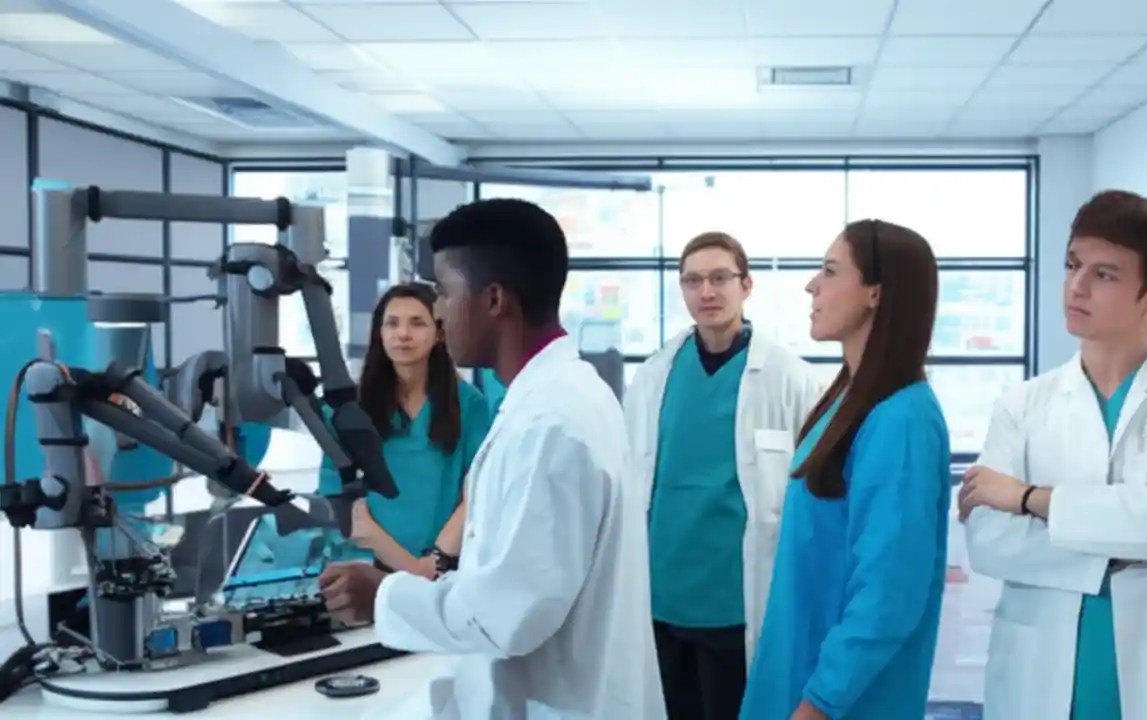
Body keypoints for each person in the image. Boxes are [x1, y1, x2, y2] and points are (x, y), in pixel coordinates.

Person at [317, 198, 666, 719]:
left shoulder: (550, 423)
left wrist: (385, 595)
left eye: (444, 292)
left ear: (494, 299)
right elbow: (506, 579)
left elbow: (509, 616)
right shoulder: (554, 398)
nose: (436, 312)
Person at [959, 190, 1147, 720]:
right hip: (1044, 678)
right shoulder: (1021, 405)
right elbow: (988, 541)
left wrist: (1027, 499)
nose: (1077, 285)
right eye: (1073, 264)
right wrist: (1132, 531)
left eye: (1105, 274)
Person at [740, 219, 952, 720]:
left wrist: (819, 704)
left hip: (840, 701)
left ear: (875, 293)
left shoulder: (902, 419)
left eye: (831, 271)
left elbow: (887, 594)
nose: (812, 285)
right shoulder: (845, 401)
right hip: (799, 678)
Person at [623, 231, 823, 719]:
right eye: (692, 281)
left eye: (719, 278)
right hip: (662, 594)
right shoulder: (654, 376)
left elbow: (815, 488)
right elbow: (629, 480)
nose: (706, 292)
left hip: (739, 598)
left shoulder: (788, 376)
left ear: (746, 285)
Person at [318, 281, 491, 578]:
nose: (403, 334)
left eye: (417, 323)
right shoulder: (348, 410)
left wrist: (435, 562)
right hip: (368, 569)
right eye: (392, 323)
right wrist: (412, 569)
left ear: (439, 333)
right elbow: (343, 504)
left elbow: (477, 491)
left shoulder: (469, 404)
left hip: (448, 568)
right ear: (380, 333)